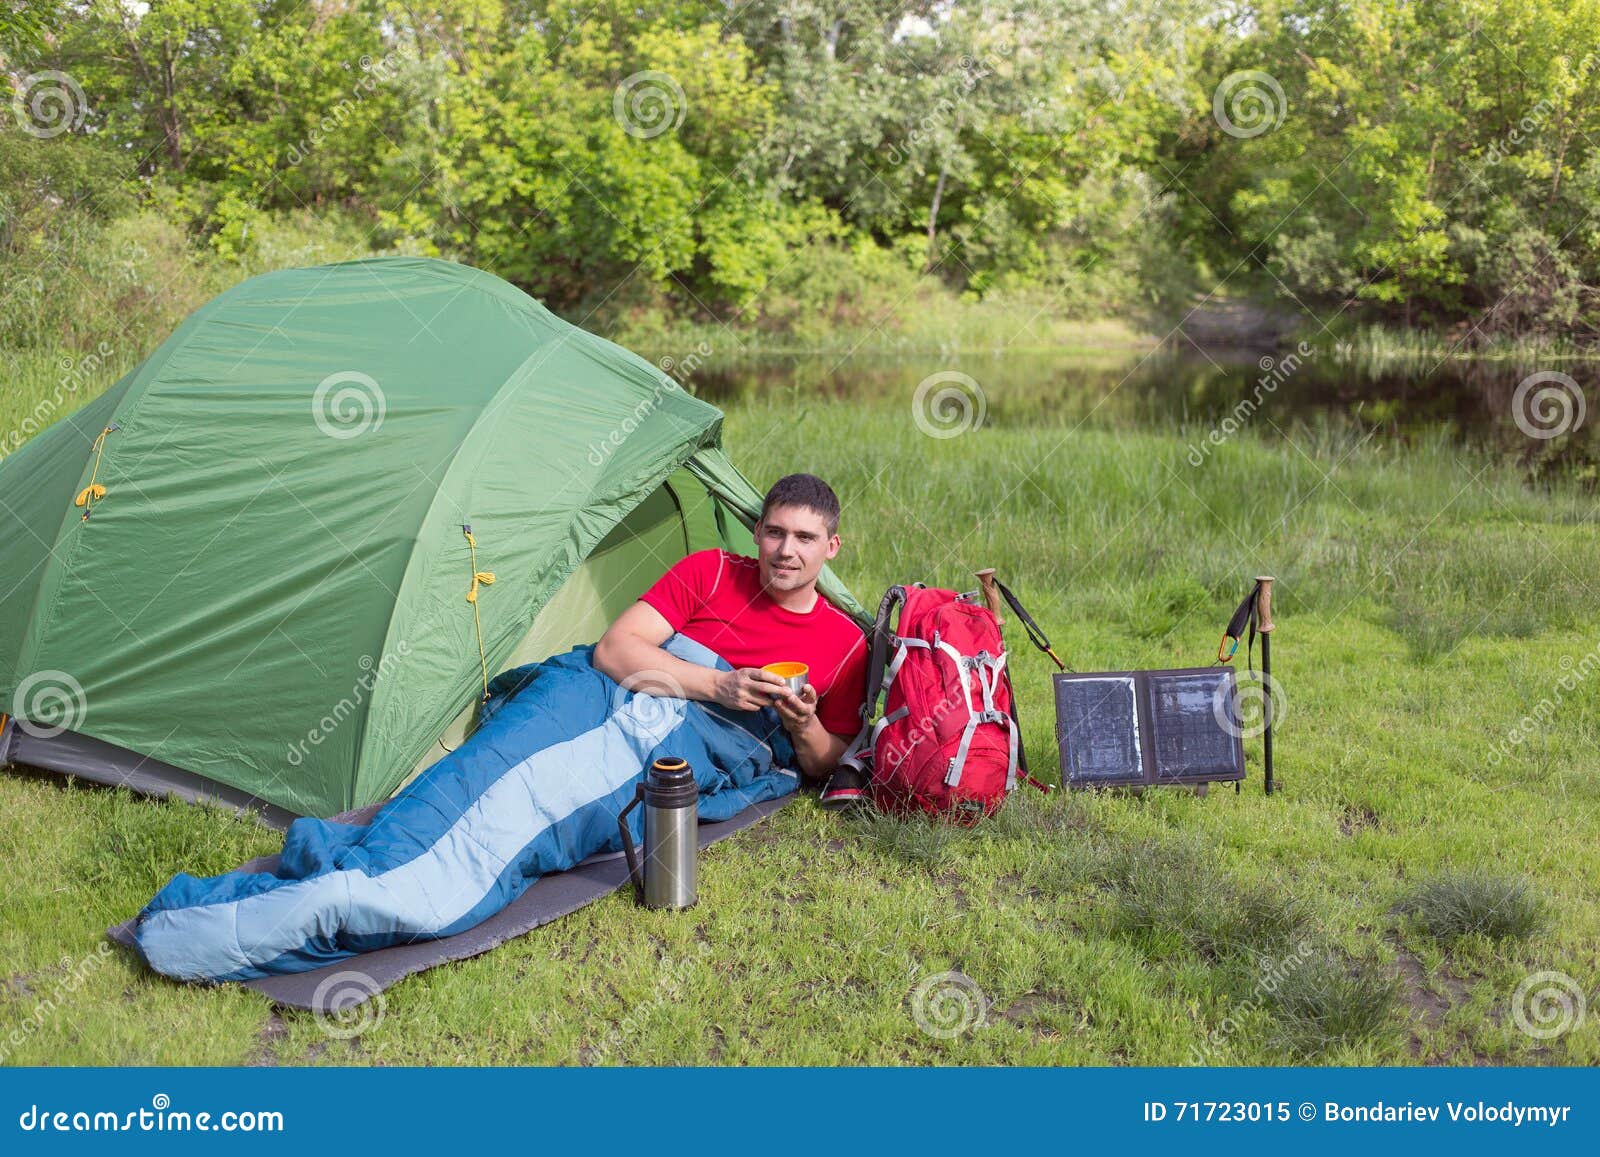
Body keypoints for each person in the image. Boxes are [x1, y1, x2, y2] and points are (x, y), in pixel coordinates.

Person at [594, 473, 869, 803]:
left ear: (831, 547)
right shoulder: (710, 572)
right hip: (622, 703)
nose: (785, 551)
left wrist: (803, 725)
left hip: (695, 749)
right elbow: (611, 651)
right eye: (775, 532)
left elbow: (826, 766)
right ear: (756, 531)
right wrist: (718, 685)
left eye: (805, 538)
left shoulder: (847, 643)